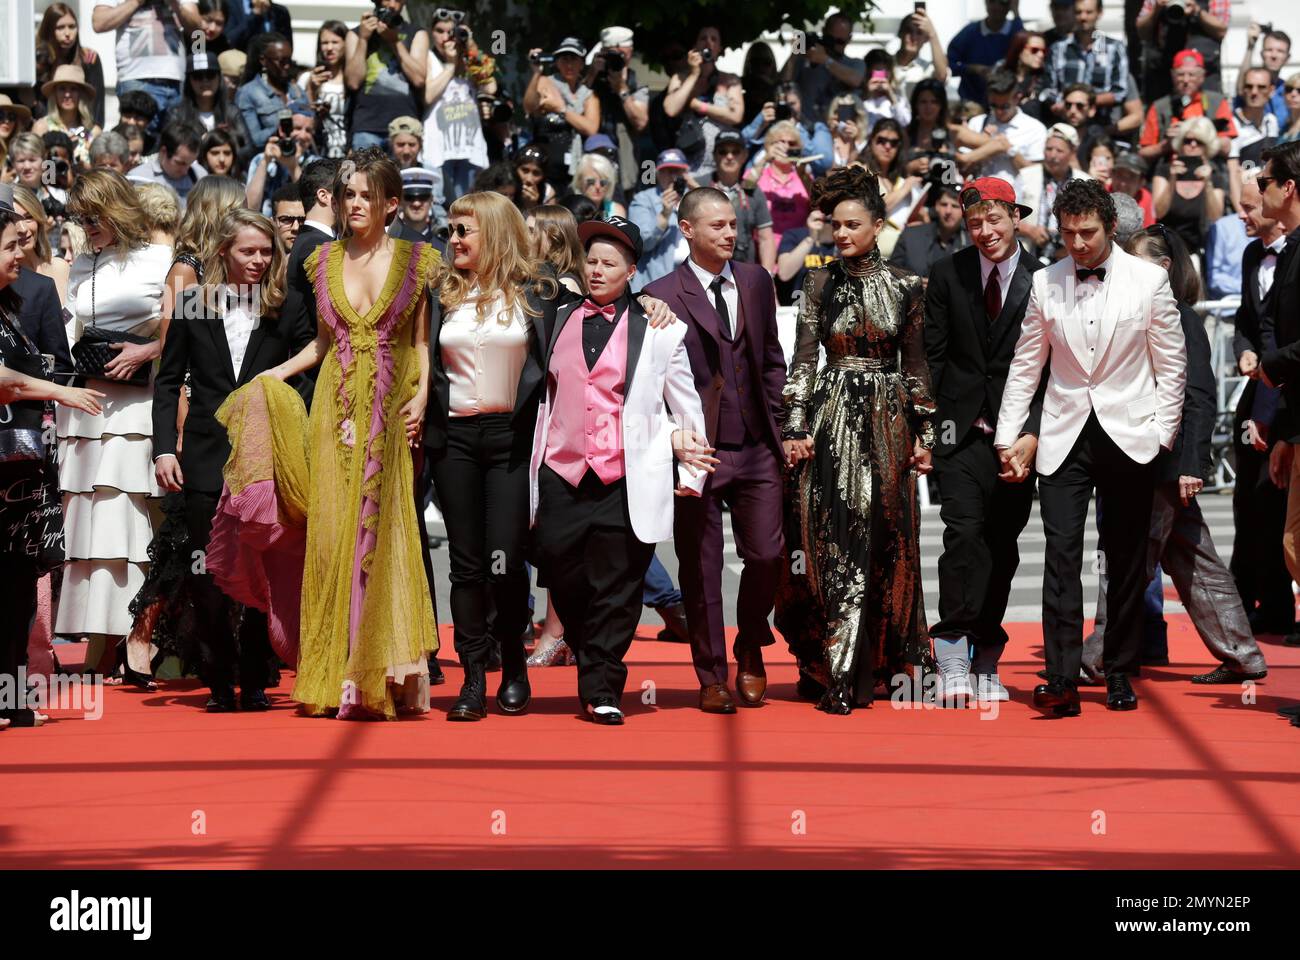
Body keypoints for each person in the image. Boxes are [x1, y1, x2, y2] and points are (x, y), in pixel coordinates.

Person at [996, 178, 1186, 716]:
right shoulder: (1044, 282)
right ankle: (1060, 678)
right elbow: (1025, 365)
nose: (1077, 244)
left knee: (1124, 560)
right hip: (1063, 434)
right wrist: (1009, 436)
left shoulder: (1149, 280)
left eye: (1088, 233)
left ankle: (1121, 671)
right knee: (1061, 557)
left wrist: (1161, 434)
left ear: (1110, 227)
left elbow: (1171, 364)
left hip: (1131, 435)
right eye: (1068, 234)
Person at [263, 148, 438, 718]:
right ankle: (339, 673)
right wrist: (272, 376)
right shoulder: (321, 262)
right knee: (335, 534)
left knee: (384, 536)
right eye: (348, 195)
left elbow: (420, 345)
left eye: (366, 195)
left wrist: (421, 397)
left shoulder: (417, 261)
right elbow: (319, 344)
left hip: (390, 412)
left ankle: (383, 675)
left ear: (391, 203)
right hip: (334, 411)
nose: (355, 204)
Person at [531, 216, 714, 724]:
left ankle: (603, 684)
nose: (597, 270)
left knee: (620, 584)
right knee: (561, 571)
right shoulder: (554, 315)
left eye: (610, 263)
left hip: (626, 474)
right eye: (591, 260)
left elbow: (686, 405)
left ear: (632, 271)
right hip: (560, 468)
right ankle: (591, 655)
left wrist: (690, 472)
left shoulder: (660, 328)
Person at [1080, 225, 1267, 685]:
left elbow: (1199, 396)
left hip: (1162, 466)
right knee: (1196, 560)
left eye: (1135, 261)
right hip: (1147, 462)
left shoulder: (1180, 319)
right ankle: (1243, 654)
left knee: (1127, 559)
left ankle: (1096, 657)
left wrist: (1191, 467)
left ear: (1163, 268)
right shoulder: (1142, 314)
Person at [779, 165, 936, 712]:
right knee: (834, 536)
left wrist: (926, 434)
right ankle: (835, 668)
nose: (840, 234)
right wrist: (795, 425)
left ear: (877, 226)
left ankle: (889, 664)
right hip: (834, 416)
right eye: (834, 225)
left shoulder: (909, 287)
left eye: (851, 225)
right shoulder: (819, 281)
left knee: (890, 535)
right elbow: (803, 359)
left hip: (890, 420)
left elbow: (916, 366)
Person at [643, 188, 786, 713]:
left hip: (756, 444)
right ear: (687, 230)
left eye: (733, 225)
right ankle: (711, 674)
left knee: (768, 555)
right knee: (700, 569)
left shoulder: (754, 280)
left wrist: (780, 423)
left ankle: (750, 642)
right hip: (696, 449)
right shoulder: (660, 293)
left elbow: (771, 358)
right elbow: (651, 380)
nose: (730, 233)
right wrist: (673, 439)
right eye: (718, 226)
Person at [152, 208, 290, 710]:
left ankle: (255, 677)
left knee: (258, 568)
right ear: (223, 254)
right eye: (246, 251)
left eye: (265, 251)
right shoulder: (191, 304)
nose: (257, 261)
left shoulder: (286, 306)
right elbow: (168, 381)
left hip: (267, 454)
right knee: (207, 571)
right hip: (205, 455)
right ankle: (217, 677)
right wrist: (165, 447)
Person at [923, 177, 1043, 702]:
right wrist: (926, 431)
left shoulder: (1045, 281)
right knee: (962, 535)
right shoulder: (948, 275)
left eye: (995, 219)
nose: (985, 231)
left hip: (1017, 438)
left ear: (1015, 217)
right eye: (975, 223)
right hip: (959, 431)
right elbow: (931, 359)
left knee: (1002, 546)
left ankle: (986, 653)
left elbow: (1055, 370)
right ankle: (951, 646)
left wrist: (1033, 434)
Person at [56, 171, 172, 674]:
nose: (87, 225)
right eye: (80, 217)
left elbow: (203, 328)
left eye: (95, 215)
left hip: (139, 406)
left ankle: (141, 640)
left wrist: (149, 347)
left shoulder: (162, 260)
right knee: (95, 528)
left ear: (120, 209)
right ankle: (102, 643)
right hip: (86, 406)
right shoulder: (82, 263)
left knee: (136, 523)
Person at [0, 186, 106, 729]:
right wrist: (58, 392)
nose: (20, 253)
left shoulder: (15, 304)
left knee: (19, 584)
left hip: (20, 467)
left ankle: (13, 699)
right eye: (8, 248)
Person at [1228, 173, 1294, 641]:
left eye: (1250, 207)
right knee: (1248, 503)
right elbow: (1245, 320)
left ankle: (1277, 607)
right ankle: (1259, 601)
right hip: (1257, 384)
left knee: (1276, 503)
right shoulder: (1253, 254)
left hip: (1287, 387)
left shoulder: (1296, 252)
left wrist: (1270, 418)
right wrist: (1243, 351)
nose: (1244, 215)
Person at [279, 157, 340, 407]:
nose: (354, 201)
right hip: (317, 379)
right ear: (325, 196)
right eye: (348, 192)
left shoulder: (309, 242)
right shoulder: (317, 247)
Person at [91, 0, 202, 134]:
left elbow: (197, 30)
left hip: (174, 81)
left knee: (173, 147)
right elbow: (99, 23)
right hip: (136, 78)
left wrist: (175, 5)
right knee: (138, 144)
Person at [422, 11, 493, 206]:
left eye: (451, 32)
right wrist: (451, 65)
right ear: (431, 32)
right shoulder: (429, 57)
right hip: (439, 149)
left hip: (470, 149)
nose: (446, 37)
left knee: (468, 208)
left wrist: (470, 45)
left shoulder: (470, 60)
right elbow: (428, 95)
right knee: (440, 209)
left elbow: (490, 87)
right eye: (440, 31)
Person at [343, 1, 427, 151]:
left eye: (398, 0)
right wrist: (363, 39)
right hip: (367, 126)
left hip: (405, 128)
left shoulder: (416, 33)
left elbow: (419, 79)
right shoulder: (356, 34)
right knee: (365, 174)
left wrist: (395, 41)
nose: (392, 5)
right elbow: (353, 82)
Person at [663, 26, 744, 181]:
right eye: (703, 38)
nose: (708, 43)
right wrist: (694, 74)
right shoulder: (680, 78)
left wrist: (701, 107)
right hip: (689, 165)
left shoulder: (729, 80)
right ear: (694, 46)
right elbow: (671, 109)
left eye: (714, 39)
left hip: (720, 166)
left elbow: (736, 116)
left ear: (719, 49)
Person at [960, 66, 1047, 200]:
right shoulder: (977, 123)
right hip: (978, 200)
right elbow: (962, 169)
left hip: (1013, 203)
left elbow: (1036, 175)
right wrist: (984, 146)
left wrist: (1010, 151)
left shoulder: (1035, 129)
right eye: (994, 106)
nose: (999, 111)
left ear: (1017, 97)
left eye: (1005, 106)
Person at [1138, 49, 1235, 166]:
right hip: (1171, 170)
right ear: (1172, 76)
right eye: (1180, 74)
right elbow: (1143, 153)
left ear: (1202, 77)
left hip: (1209, 169)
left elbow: (1226, 147)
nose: (1186, 80)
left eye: (1191, 75)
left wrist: (1199, 135)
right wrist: (1168, 144)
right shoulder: (1160, 107)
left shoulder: (1216, 102)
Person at [525, 38, 600, 188]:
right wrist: (536, 73)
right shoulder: (545, 82)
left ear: (581, 63)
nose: (569, 65)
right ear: (557, 62)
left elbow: (591, 128)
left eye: (574, 59)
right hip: (544, 171)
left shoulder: (588, 95)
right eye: (564, 59)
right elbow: (530, 107)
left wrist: (562, 109)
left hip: (574, 172)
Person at [1043, 0, 1128, 129]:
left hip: (1101, 126)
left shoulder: (1114, 48)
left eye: (1089, 12)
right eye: (1078, 12)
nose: (1083, 17)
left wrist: (1086, 102)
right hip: (1065, 126)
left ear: (1099, 13)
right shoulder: (1058, 49)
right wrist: (1066, 105)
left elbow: (1120, 91)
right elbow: (1049, 89)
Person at [587, 26, 650, 197]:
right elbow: (577, 105)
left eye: (620, 53)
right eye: (609, 53)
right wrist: (592, 74)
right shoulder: (592, 76)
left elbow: (641, 122)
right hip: (593, 154)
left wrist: (622, 89)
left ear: (630, 53)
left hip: (625, 159)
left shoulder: (636, 79)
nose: (614, 58)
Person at [1151, 115, 1226, 258]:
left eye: (1199, 142)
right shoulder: (1165, 171)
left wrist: (1207, 183)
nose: (1192, 145)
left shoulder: (1215, 176)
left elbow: (1215, 215)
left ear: (1208, 146)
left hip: (1195, 253)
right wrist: (1172, 180)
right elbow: (1158, 212)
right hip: (1164, 251)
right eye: (1187, 141)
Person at [164, 52, 253, 168]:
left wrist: (227, 156)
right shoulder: (176, 114)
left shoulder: (232, 111)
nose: (205, 81)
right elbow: (169, 148)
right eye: (198, 76)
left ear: (219, 78)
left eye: (210, 75)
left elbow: (249, 148)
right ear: (189, 81)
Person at [781, 11, 864, 127]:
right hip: (804, 127)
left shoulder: (854, 63)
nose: (834, 45)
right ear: (824, 32)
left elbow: (855, 79)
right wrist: (794, 54)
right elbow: (784, 84)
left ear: (849, 39)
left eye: (840, 41)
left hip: (836, 130)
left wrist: (825, 60)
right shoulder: (804, 59)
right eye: (830, 39)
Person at [1022, 122, 1091, 260]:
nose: (1053, 155)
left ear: (1072, 153)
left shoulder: (1085, 181)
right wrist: (1030, 230)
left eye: (1059, 151)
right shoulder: (1025, 176)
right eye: (1049, 149)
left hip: (1069, 255)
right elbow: (1008, 216)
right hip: (1029, 252)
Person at [707, 130, 774, 271]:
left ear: (744, 156)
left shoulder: (753, 190)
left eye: (736, 151)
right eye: (723, 152)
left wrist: (768, 277)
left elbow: (766, 238)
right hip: (706, 273)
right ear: (714, 156)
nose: (729, 156)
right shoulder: (699, 186)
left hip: (744, 275)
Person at [1136, 0, 1229, 101]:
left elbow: (1221, 30)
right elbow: (1141, 32)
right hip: (1163, 77)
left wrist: (1197, 11)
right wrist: (1157, 9)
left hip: (1205, 78)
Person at [628, 149, 693, 290]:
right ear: (658, 173)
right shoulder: (643, 200)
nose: (673, 176)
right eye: (667, 171)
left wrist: (697, 189)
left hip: (692, 283)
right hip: (656, 286)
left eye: (678, 171)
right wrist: (664, 215)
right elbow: (641, 244)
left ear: (686, 174)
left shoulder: (695, 200)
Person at [36, 4, 107, 128]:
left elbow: (97, 105)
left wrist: (95, 131)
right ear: (49, 30)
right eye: (60, 28)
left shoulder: (89, 59)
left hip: (82, 131)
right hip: (46, 128)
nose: (67, 33)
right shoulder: (39, 61)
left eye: (72, 27)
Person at [947, 0, 1026, 107]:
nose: (996, 6)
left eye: (1003, 3)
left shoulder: (1015, 31)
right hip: (973, 102)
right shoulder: (970, 32)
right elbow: (949, 64)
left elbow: (1024, 44)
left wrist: (1016, 13)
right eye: (991, 1)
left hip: (1005, 105)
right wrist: (972, 69)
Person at [235, 32, 304, 151]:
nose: (287, 66)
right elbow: (253, 141)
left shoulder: (296, 89)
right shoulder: (248, 93)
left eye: (289, 60)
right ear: (263, 60)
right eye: (282, 61)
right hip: (268, 163)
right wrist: (281, 128)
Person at [889, 184, 970, 280]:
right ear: (936, 206)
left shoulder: (972, 245)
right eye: (944, 205)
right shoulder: (910, 235)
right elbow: (891, 273)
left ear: (964, 211)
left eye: (955, 206)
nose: (948, 211)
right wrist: (914, 283)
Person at [11, 186, 72, 312]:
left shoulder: (61, 266)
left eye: (28, 217)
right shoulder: (7, 282)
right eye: (13, 221)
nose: (23, 229)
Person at [754, 122, 811, 255]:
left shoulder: (803, 176)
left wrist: (803, 173)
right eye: (780, 142)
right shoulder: (758, 173)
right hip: (762, 249)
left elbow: (817, 204)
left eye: (791, 144)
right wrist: (765, 159)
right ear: (769, 145)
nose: (785, 147)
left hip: (796, 250)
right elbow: (746, 188)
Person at [32, 65, 101, 171]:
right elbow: (33, 166)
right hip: (49, 185)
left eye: (73, 89)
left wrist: (87, 168)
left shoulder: (94, 131)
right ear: (54, 93)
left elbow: (101, 170)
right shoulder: (42, 127)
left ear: (81, 94)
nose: (67, 94)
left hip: (85, 186)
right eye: (62, 89)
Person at [127, 120, 206, 206]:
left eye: (190, 163)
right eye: (180, 163)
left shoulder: (199, 176)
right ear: (163, 151)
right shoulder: (137, 178)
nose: (185, 171)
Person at [302, 20, 349, 160]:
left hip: (349, 153)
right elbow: (303, 118)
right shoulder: (307, 78)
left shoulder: (353, 80)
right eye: (324, 43)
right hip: (318, 154)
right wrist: (311, 89)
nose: (329, 48)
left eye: (335, 42)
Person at [775, 205, 837, 304]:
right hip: (797, 308)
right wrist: (811, 238)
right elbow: (784, 274)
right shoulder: (794, 235)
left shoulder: (843, 240)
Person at [888, 9, 950, 102]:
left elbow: (942, 75)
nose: (913, 37)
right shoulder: (885, 63)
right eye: (909, 31)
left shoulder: (927, 68)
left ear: (926, 39)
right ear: (900, 33)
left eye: (919, 33)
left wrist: (932, 34)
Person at [1003, 30, 1051, 121]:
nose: (1040, 55)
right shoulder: (1001, 75)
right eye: (1034, 50)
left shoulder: (1045, 79)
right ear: (1019, 49)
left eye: (1044, 51)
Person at [570, 153, 625, 219]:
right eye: (591, 181)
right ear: (579, 181)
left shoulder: (616, 211)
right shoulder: (568, 211)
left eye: (603, 182)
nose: (598, 186)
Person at [1110, 148, 1156, 227]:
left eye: (1131, 177)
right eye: (1119, 175)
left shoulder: (1145, 197)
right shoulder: (1101, 193)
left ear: (1141, 182)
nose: (1123, 183)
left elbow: (1148, 232)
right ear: (1112, 175)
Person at [222, 0, 291, 51]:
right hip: (242, 64)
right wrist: (254, 14)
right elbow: (230, 41)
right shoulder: (230, 5)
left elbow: (287, 46)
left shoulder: (280, 11)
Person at [271, 182, 304, 247]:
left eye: (302, 220)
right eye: (286, 220)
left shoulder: (325, 255)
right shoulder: (260, 254)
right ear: (272, 223)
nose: (296, 228)